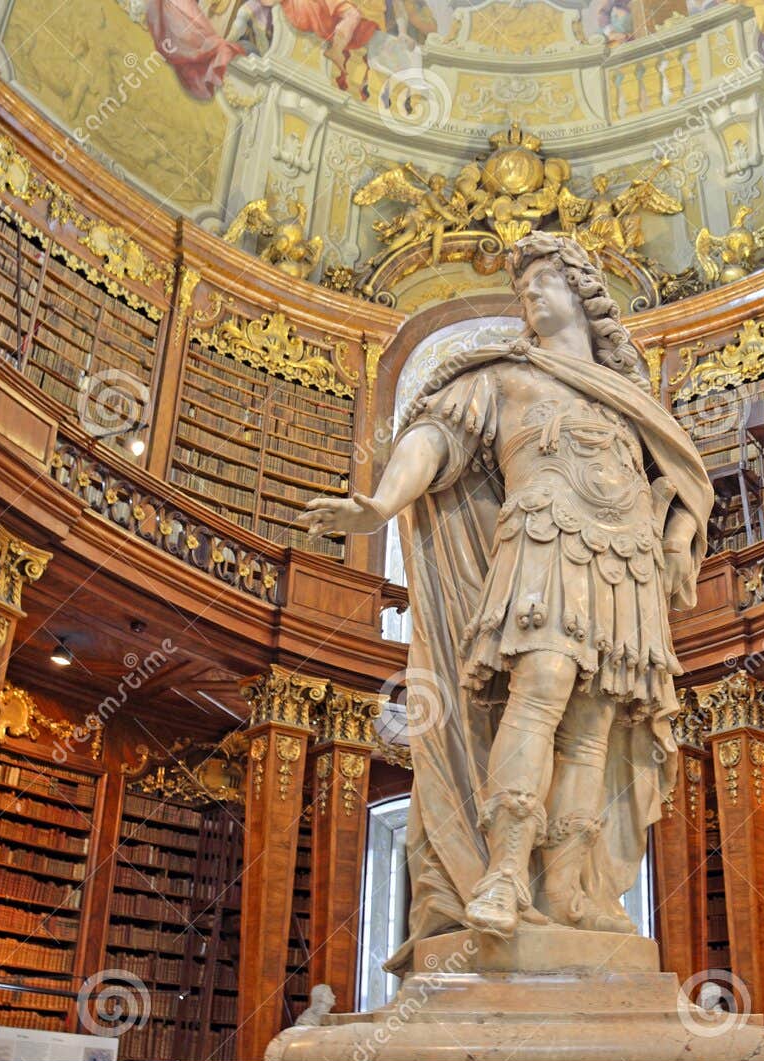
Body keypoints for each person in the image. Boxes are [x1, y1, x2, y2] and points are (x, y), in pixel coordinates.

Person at [296, 233, 711, 962]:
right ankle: (505, 872)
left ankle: (570, 891)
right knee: (540, 685)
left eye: (543, 280)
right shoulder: (502, 374)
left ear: (580, 290)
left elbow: (683, 479)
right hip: (543, 541)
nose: (530, 295)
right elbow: (435, 435)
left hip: (625, 561)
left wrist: (678, 541)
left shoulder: (628, 397)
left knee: (592, 725)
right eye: (523, 288)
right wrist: (382, 504)